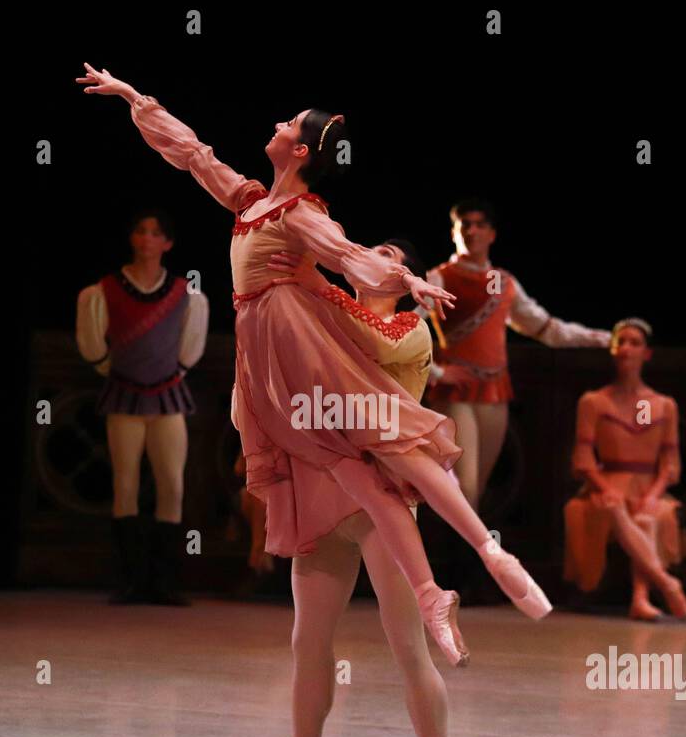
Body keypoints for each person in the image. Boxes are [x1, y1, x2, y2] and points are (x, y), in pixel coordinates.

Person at [76, 63, 552, 668]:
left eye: (287, 122)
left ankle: (488, 554)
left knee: (384, 440)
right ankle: (435, 591)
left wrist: (405, 278)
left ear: (298, 149)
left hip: (300, 346)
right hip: (267, 364)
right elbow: (193, 154)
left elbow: (350, 257)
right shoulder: (254, 200)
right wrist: (134, 99)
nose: (275, 122)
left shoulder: (302, 214)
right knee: (351, 465)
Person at [235, 240, 459, 737]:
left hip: (383, 500)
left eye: (388, 253)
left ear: (402, 274)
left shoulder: (410, 329)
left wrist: (306, 277)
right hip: (323, 493)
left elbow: (366, 341)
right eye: (366, 247)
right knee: (307, 643)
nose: (371, 253)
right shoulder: (323, 315)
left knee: (407, 646)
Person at [425, 199, 610, 601]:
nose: (471, 231)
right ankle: (455, 575)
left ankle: (464, 573)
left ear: (492, 233)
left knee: (479, 488)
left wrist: (600, 338)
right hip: (455, 393)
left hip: (494, 390)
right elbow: (407, 329)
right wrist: (437, 372)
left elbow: (546, 328)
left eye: (478, 224)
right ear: (454, 232)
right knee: (464, 488)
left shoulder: (504, 283)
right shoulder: (439, 277)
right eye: (463, 225)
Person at [76, 209, 207, 605]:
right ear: (133, 238)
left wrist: (172, 373)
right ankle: (131, 580)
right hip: (124, 395)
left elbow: (190, 346)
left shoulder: (186, 294)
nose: (147, 239)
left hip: (168, 397)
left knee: (172, 484)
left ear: (167, 243)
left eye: (156, 233)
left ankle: (165, 582)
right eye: (141, 231)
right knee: (125, 483)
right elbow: (94, 343)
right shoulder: (105, 289)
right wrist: (112, 370)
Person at [563, 319, 686, 619]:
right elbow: (583, 458)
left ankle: (641, 597)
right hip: (606, 481)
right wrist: (605, 487)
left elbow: (670, 462)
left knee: (649, 515)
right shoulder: (594, 401)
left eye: (634, 343)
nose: (626, 349)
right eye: (621, 342)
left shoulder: (663, 405)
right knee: (613, 505)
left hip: (648, 483)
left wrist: (654, 493)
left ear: (646, 353)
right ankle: (666, 583)